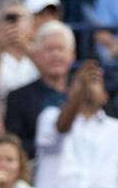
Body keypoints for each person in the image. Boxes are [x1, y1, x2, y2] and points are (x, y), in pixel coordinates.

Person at [34, 61, 118, 188]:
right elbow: (60, 130)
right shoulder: (50, 116)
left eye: (94, 81)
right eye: (80, 82)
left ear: (105, 96)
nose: (86, 85)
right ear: (69, 91)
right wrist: (78, 92)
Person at [5, 20, 74, 157]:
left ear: (72, 55)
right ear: (36, 56)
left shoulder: (87, 94)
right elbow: (16, 145)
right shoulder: (18, 98)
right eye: (49, 49)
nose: (55, 55)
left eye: (60, 49)